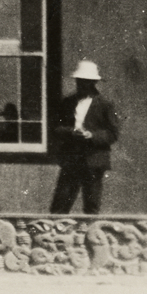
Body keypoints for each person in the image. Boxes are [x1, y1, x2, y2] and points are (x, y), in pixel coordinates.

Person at [49, 60, 119, 215]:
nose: (81, 85)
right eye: (79, 81)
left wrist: (92, 135)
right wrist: (71, 132)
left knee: (91, 205)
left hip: (94, 160)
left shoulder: (105, 104)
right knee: (60, 204)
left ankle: (89, 230)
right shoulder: (68, 102)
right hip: (71, 159)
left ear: (94, 82)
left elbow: (113, 133)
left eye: (86, 81)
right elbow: (56, 128)